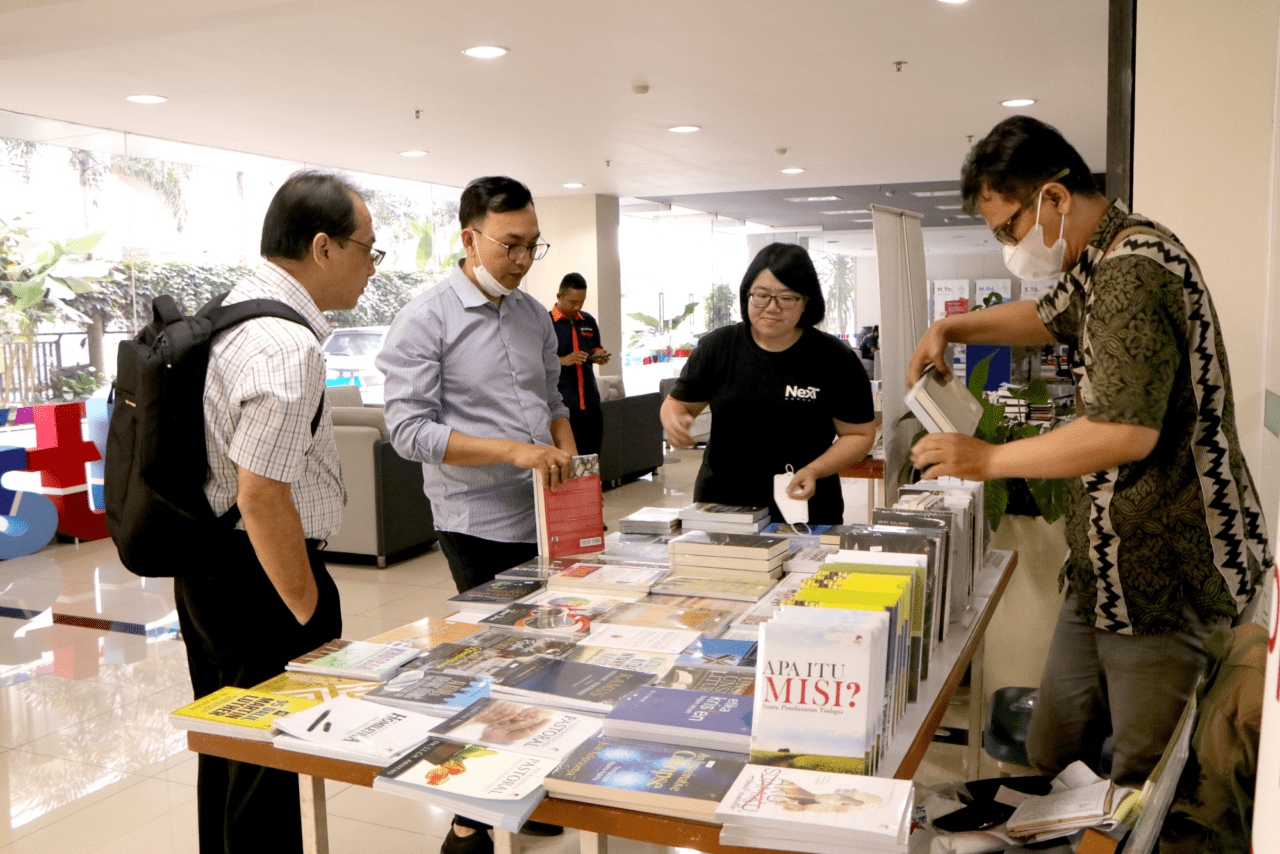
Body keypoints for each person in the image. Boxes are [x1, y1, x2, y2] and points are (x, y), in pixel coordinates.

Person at [907, 115, 1271, 787]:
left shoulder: (1133, 271)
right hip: (1103, 572)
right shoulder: (1099, 258)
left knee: (1144, 780)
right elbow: (1047, 316)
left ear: (1053, 198)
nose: (1009, 247)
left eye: (1008, 228)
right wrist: (951, 325)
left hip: (1164, 578)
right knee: (1055, 753)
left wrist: (985, 459)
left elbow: (1123, 432)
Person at [376, 175, 574, 854]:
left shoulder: (530, 314)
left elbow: (552, 399)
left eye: (532, 246)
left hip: (548, 514)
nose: (521, 260)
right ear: (469, 238)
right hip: (475, 518)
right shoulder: (426, 316)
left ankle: (529, 783)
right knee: (495, 665)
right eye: (510, 245)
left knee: (551, 656)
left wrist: (569, 458)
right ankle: (469, 820)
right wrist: (514, 452)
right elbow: (407, 431)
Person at [180, 170, 375, 853]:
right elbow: (260, 495)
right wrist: (305, 603)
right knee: (269, 759)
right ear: (324, 248)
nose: (372, 269)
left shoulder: (230, 310)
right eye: (367, 250)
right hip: (256, 578)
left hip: (205, 562)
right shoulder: (287, 348)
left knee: (229, 746)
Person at [661, 243, 877, 525]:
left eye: (787, 298)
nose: (772, 308)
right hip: (723, 505)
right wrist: (675, 420)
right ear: (747, 295)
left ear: (806, 302)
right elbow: (677, 403)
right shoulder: (718, 347)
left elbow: (860, 435)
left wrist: (814, 470)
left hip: (806, 506)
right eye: (761, 296)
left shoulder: (835, 358)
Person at [550, 272, 609, 456]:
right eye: (572, 302)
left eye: (581, 302)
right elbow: (535, 361)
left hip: (590, 404)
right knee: (566, 462)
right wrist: (563, 360)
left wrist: (599, 355)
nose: (577, 307)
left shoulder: (588, 321)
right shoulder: (546, 323)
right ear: (559, 296)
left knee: (591, 460)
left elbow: (595, 348)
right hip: (562, 407)